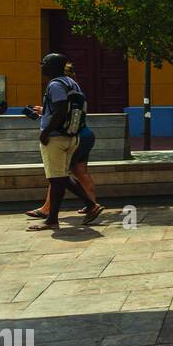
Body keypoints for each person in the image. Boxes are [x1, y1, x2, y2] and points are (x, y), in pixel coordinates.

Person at [27, 53, 100, 231]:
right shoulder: (71, 83)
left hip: (56, 138)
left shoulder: (54, 84)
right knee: (61, 177)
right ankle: (90, 205)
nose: (41, 65)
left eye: (44, 62)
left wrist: (46, 131)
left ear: (53, 66)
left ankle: (53, 219)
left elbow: (60, 109)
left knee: (57, 178)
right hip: (71, 136)